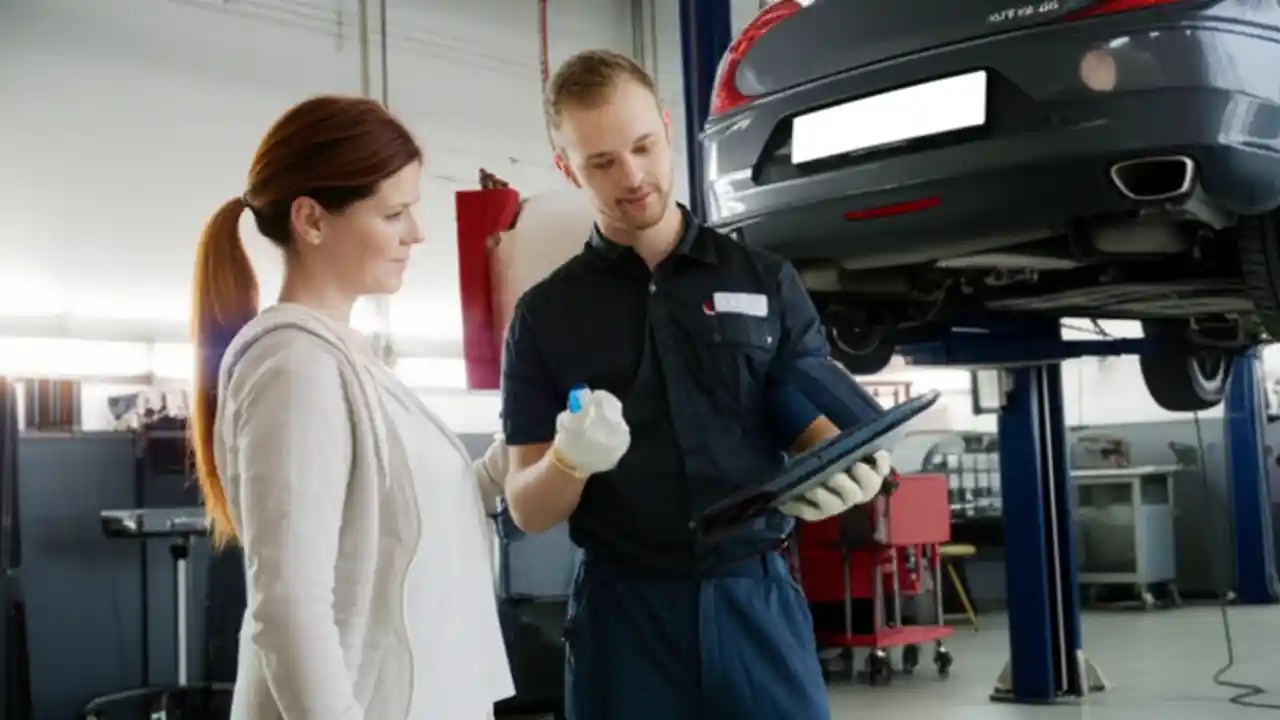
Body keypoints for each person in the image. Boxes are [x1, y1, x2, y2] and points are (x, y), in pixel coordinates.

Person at [499, 50, 895, 720]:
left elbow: (815, 428)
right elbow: (528, 507)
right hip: (625, 619)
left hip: (755, 600)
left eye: (643, 146)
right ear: (567, 168)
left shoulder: (764, 282)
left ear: (664, 125)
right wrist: (569, 462)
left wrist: (846, 471)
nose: (632, 176)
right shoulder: (545, 316)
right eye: (600, 162)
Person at [189, 95, 514, 720]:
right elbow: (290, 607)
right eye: (394, 213)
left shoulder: (347, 357)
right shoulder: (295, 366)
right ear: (311, 219)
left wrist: (523, 453)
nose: (416, 232)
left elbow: (405, 520)